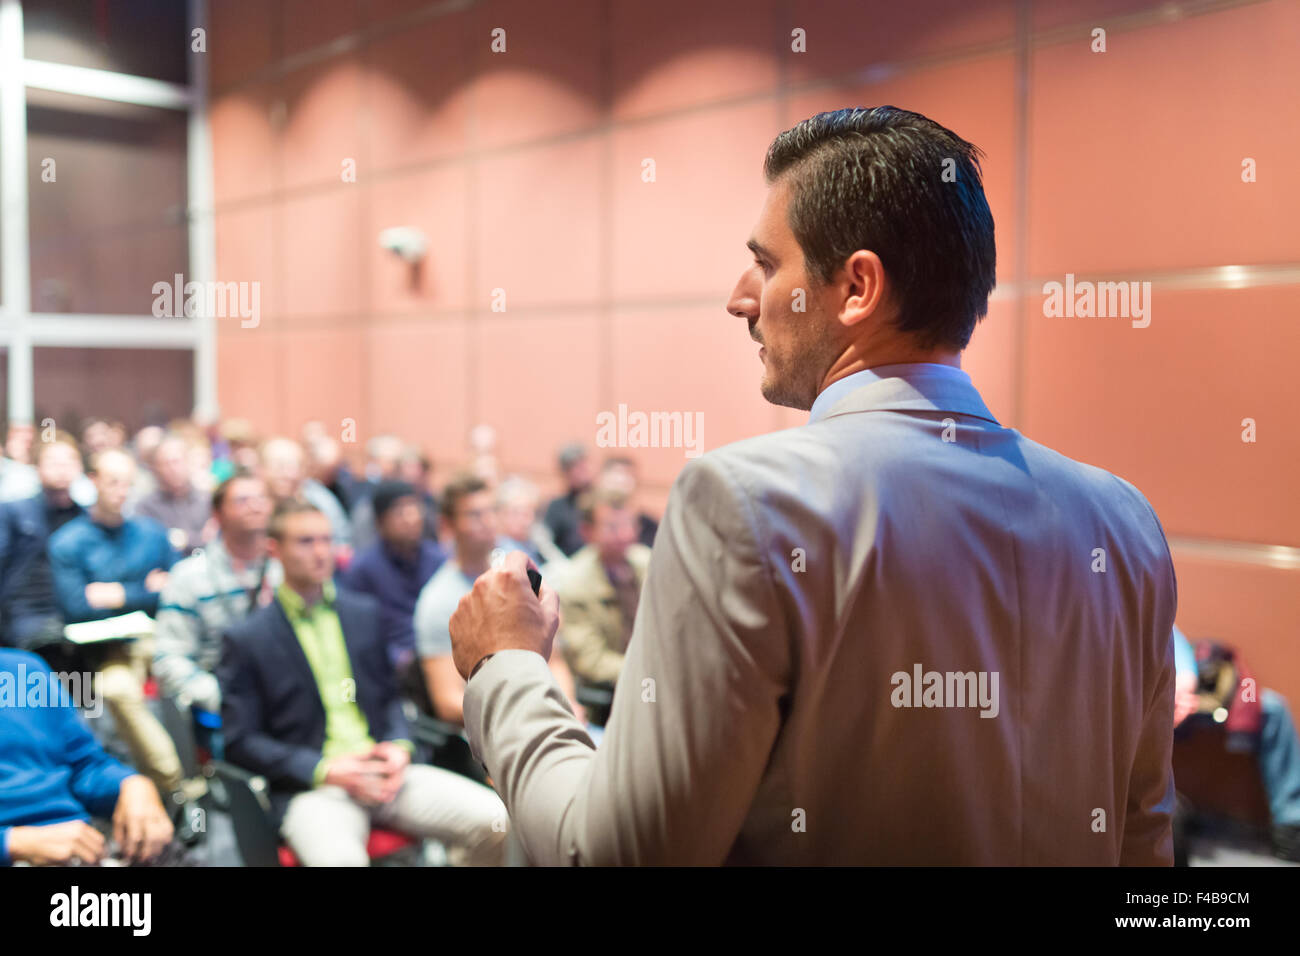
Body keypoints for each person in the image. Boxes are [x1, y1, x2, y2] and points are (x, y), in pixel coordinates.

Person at [448, 107, 1179, 865]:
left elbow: (613, 857)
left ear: (857, 286)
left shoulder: (742, 503)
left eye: (766, 265)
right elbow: (1143, 839)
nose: (741, 299)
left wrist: (506, 667)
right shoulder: (1124, 522)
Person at [217, 498, 507, 866]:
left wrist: (399, 746)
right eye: (305, 541)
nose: (321, 552)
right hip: (316, 788)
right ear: (274, 549)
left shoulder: (362, 614)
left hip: (386, 771)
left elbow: (391, 699)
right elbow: (240, 741)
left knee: (499, 822)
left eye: (327, 539)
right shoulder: (247, 638)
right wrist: (326, 769)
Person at [48, 448, 184, 795]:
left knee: (191, 677)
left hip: (164, 637)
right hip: (110, 648)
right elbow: (77, 608)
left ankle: (201, 771)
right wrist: (145, 591)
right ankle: (175, 783)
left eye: (127, 483)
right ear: (92, 482)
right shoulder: (69, 542)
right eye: (112, 482)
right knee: (118, 689)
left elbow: (175, 591)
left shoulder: (151, 534)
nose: (121, 491)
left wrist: (118, 595)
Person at [415, 474, 582, 727]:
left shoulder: (521, 571)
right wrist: (520, 717)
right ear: (447, 526)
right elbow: (447, 700)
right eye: (474, 515)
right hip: (497, 730)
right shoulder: (438, 600)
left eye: (492, 510)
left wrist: (567, 704)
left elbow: (555, 659)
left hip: (546, 714)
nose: (488, 521)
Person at [0, 648, 184, 866]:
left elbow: (85, 766)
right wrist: (10, 843)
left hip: (80, 847)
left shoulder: (25, 669)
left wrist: (132, 784)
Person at [153, 469, 280, 720]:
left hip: (287, 698)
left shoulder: (287, 569)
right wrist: (223, 699)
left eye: (261, 499)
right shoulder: (189, 576)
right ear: (217, 514)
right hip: (224, 701)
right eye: (242, 500)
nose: (254, 507)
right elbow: (169, 659)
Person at [1172, 626, 1300, 861]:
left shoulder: (1157, 605)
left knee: (1274, 707)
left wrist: (1185, 683)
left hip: (1190, 692)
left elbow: (1174, 640)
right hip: (1153, 698)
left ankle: (1292, 826)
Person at [552, 482, 651, 688]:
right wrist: (651, 672)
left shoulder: (647, 564)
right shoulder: (575, 584)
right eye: (612, 527)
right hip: (607, 697)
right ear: (586, 532)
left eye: (629, 524)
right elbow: (591, 662)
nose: (624, 535)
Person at [342, 480, 445, 672]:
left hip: (439, 654)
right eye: (400, 512)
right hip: (390, 668)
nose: (410, 518)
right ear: (380, 522)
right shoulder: (363, 569)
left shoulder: (440, 561)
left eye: (414, 509)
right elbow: (359, 633)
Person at [0, 434, 86, 651]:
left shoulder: (87, 517)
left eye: (69, 461)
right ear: (36, 467)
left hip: (77, 610)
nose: (62, 469)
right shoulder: (14, 512)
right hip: (27, 612)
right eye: (54, 462)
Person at [132, 432, 213, 555]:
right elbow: (152, 547)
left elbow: (215, 541)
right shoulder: (145, 508)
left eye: (176, 461)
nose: (173, 469)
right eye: (166, 464)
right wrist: (198, 539)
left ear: (188, 462)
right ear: (155, 468)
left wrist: (184, 540)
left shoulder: (208, 500)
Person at [541, 443, 593, 557]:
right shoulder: (557, 507)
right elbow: (545, 543)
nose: (580, 471)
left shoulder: (603, 503)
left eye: (582, 464)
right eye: (573, 467)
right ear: (564, 473)